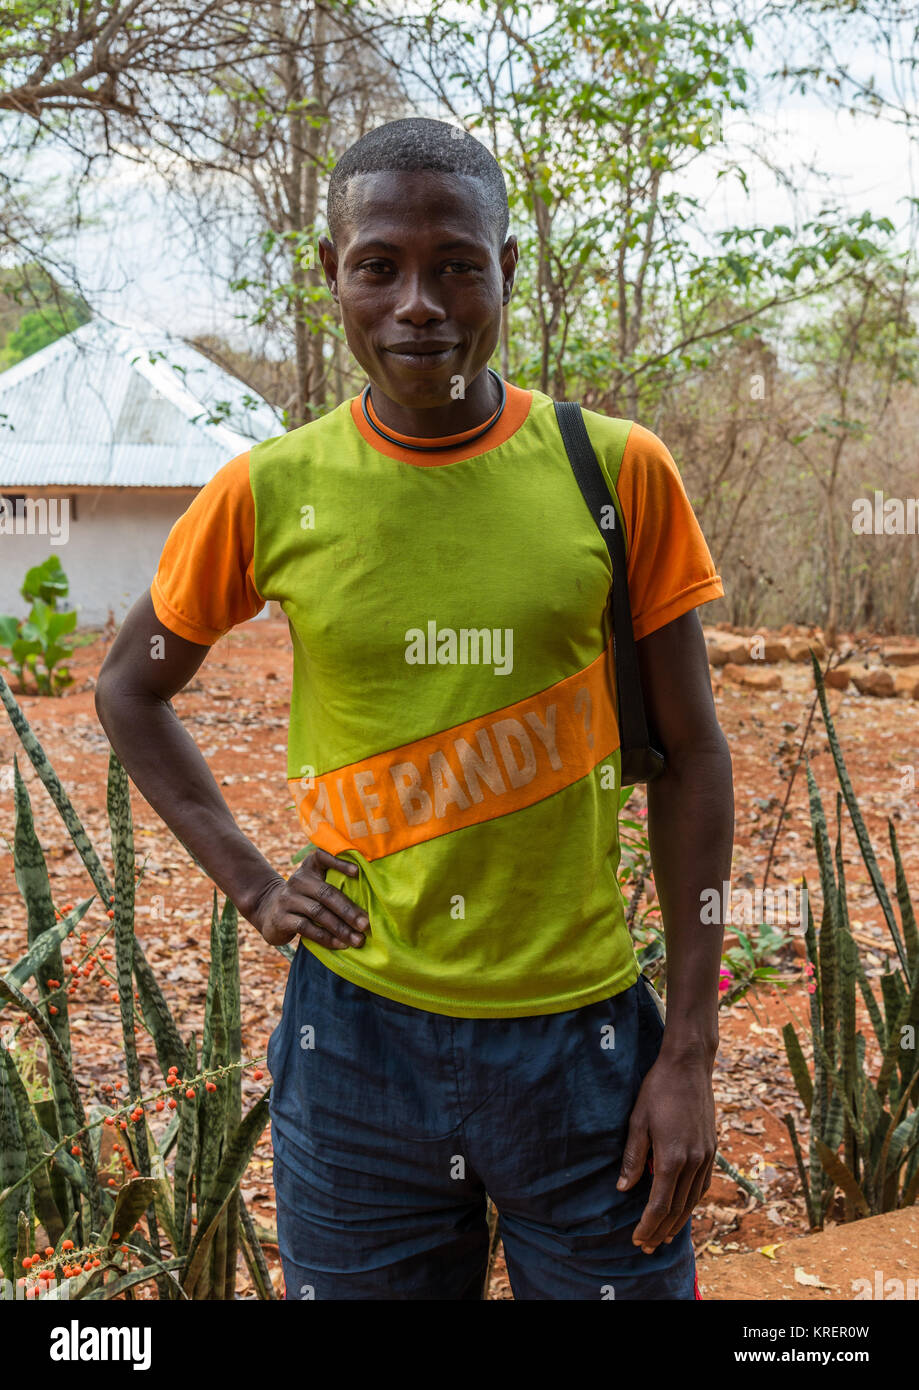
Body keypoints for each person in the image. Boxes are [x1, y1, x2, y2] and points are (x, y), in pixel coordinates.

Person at [95, 116, 734, 1301]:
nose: (419, 303)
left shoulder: (616, 472)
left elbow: (694, 755)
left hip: (584, 1043)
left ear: (507, 271)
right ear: (333, 274)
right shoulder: (271, 490)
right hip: (357, 1046)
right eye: (378, 264)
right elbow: (131, 684)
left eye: (456, 264)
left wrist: (688, 1051)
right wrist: (248, 879)